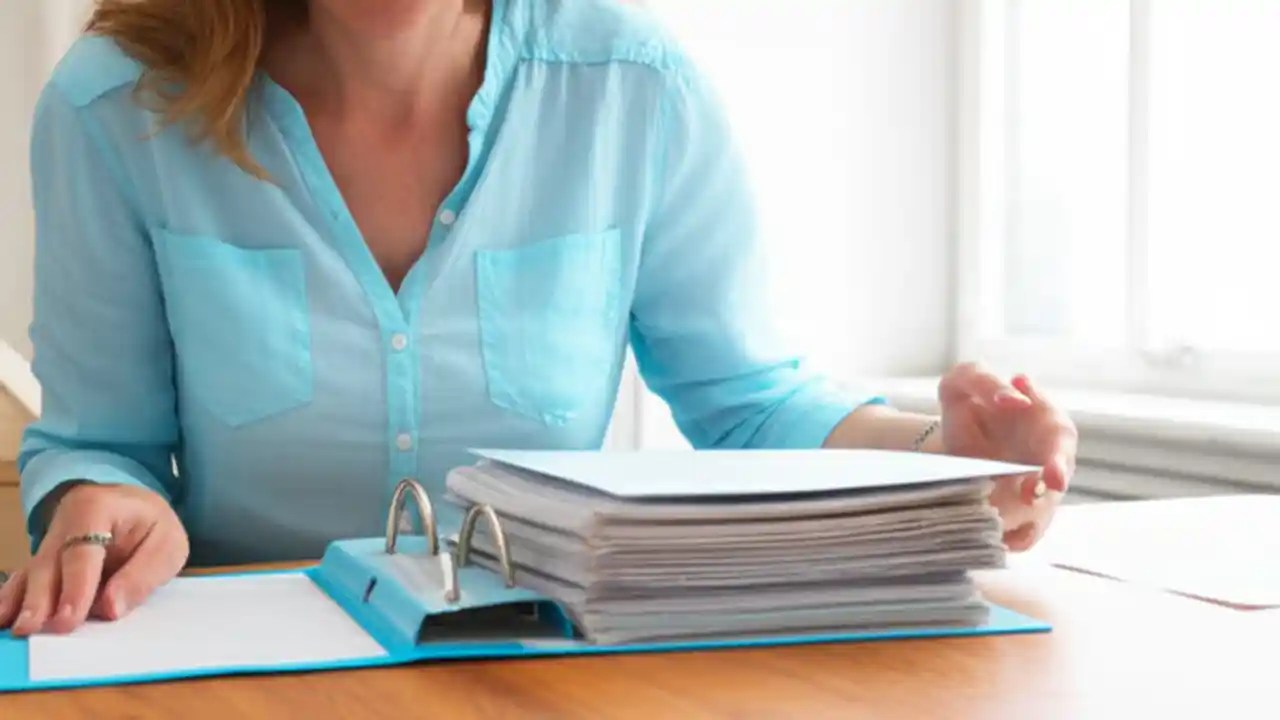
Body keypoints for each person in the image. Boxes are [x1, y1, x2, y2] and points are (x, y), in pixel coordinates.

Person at [0, 0, 1077, 638]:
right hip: (249, 666)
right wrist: (101, 502)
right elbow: (102, 443)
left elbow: (749, 405)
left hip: (553, 666)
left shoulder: (633, 90)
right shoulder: (116, 104)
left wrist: (945, 461)